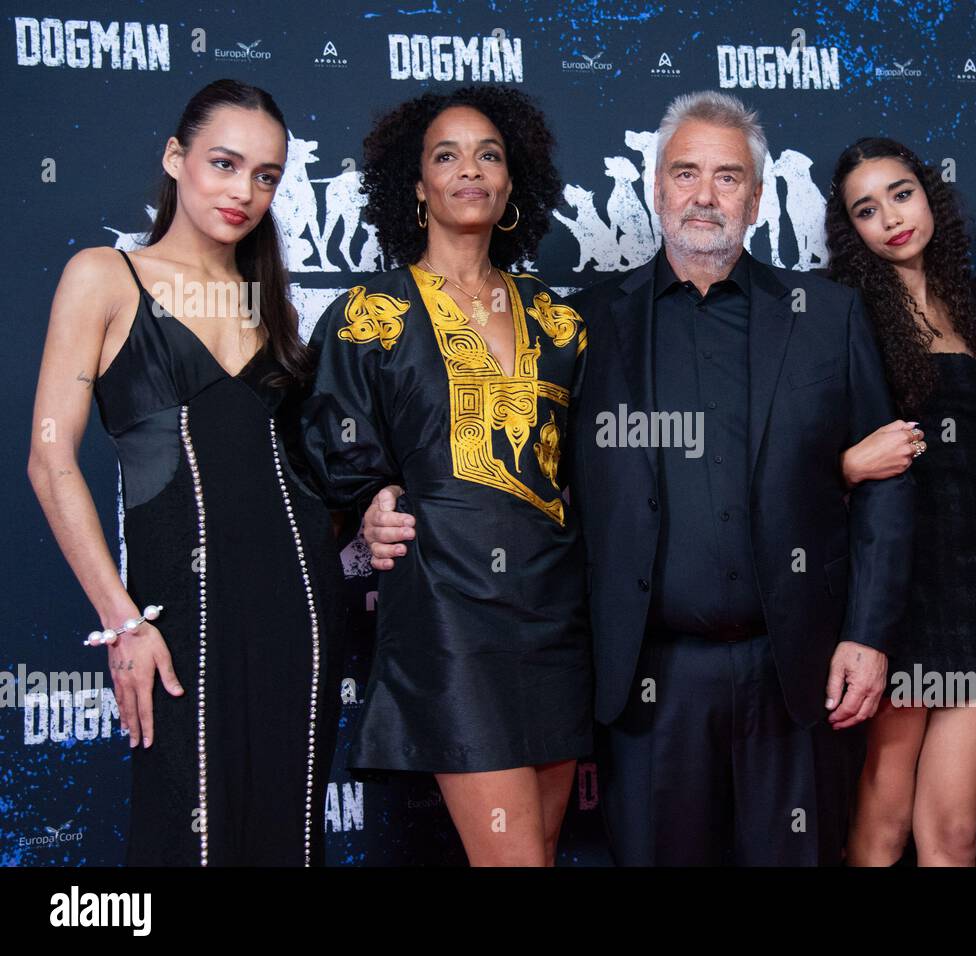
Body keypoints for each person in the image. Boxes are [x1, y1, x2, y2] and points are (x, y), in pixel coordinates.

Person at [367, 90, 913, 866]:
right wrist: (375, 498)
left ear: (757, 199)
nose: (703, 194)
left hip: (794, 669)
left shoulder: (826, 317)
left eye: (728, 178)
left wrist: (867, 634)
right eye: (684, 172)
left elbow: (886, 484)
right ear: (655, 187)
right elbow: (490, 441)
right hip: (648, 681)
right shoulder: (581, 325)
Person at [27, 79, 345, 866]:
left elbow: (311, 469)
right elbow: (48, 458)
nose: (245, 191)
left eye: (266, 175)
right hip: (178, 617)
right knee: (182, 840)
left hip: (302, 609)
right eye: (225, 164)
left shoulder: (272, 305)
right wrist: (124, 621)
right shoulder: (104, 276)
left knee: (290, 840)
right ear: (176, 158)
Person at [295, 85, 590, 867]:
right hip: (447, 610)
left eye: (489, 155)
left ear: (511, 182)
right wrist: (369, 505)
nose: (470, 170)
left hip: (556, 609)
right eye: (447, 155)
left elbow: (598, 461)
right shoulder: (371, 313)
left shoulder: (559, 320)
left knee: (544, 850)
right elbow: (338, 452)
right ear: (416, 184)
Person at [825, 137, 976, 866]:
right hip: (898, 580)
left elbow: (956, 424)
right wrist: (846, 466)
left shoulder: (968, 302)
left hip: (973, 577)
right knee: (885, 814)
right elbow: (795, 456)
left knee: (954, 830)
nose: (892, 219)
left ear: (929, 196)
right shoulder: (846, 314)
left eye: (901, 194)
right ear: (853, 232)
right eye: (866, 210)